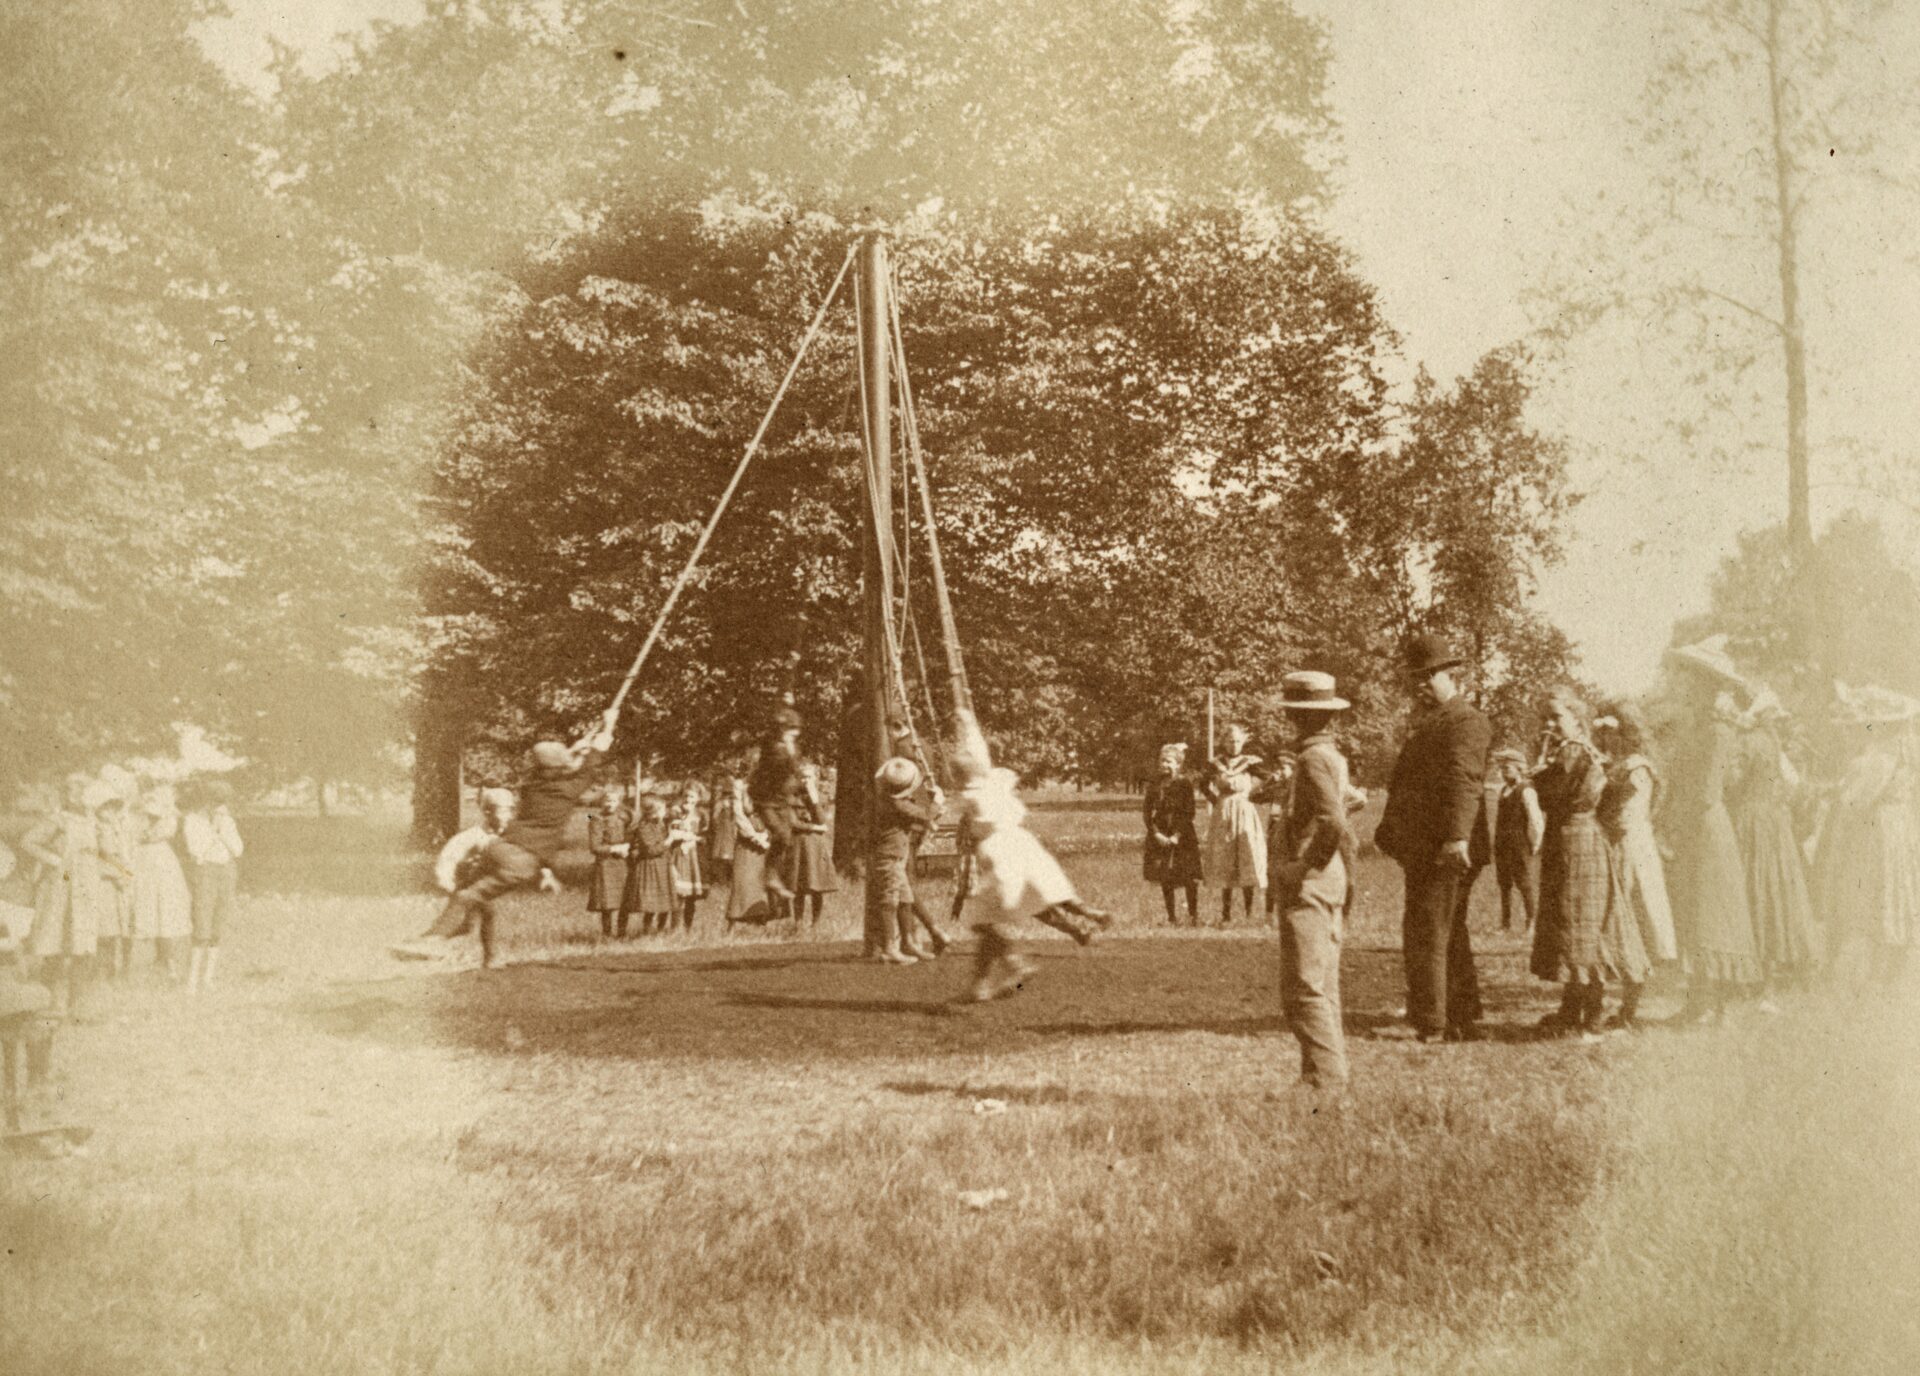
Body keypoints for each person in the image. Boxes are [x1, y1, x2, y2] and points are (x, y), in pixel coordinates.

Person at [398, 712, 616, 967]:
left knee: (471, 895)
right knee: (472, 895)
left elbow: (566, 763)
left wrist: (578, 747)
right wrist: (609, 723)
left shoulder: (532, 784)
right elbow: (594, 755)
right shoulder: (568, 789)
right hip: (523, 860)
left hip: (498, 847)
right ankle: (434, 940)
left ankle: (466, 939)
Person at [1374, 634, 1493, 1043]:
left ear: (1449, 675)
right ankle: (1460, 1014)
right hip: (1428, 846)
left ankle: (1431, 1022)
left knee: (1428, 931)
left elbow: (1465, 780)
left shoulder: (1465, 721)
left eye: (1428, 676)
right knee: (1448, 930)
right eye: (1415, 678)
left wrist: (1457, 838)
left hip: (1446, 848)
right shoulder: (1434, 721)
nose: (1420, 685)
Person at [947, 713, 1112, 1001]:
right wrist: (969, 724)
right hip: (1024, 846)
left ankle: (1013, 966)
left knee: (985, 921)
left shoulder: (969, 796)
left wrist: (939, 796)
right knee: (1011, 910)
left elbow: (967, 776)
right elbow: (979, 752)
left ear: (958, 777)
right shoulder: (993, 783)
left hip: (999, 854)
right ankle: (980, 986)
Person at [1531, 688, 1647, 1037]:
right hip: (1575, 841)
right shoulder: (1578, 751)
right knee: (1577, 924)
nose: (1550, 724)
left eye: (1557, 717)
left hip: (1577, 844)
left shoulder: (1573, 751)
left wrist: (1538, 768)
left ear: (1578, 720)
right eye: (1545, 718)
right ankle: (1572, 1009)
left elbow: (1551, 796)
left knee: (1581, 925)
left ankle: (1591, 1015)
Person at [1662, 636, 1762, 1020]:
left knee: (1709, 912)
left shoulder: (1717, 730)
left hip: (1705, 826)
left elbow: (1707, 790)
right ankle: (1699, 1002)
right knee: (1694, 910)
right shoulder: (1699, 726)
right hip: (1696, 823)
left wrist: (1675, 823)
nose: (1683, 684)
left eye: (1691, 678)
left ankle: (1710, 1005)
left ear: (1707, 684)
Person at [1269, 672, 1356, 1088]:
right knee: (1322, 984)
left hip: (1310, 881)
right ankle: (1317, 1076)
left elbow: (1333, 820)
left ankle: (1328, 1081)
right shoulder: (1330, 755)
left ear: (1294, 715)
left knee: (1303, 988)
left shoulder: (1311, 759)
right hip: (1328, 876)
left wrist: (1302, 866)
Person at [1811, 684, 1919, 986]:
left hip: (1878, 828)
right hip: (1898, 824)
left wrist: (1838, 800)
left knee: (1871, 890)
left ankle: (1875, 973)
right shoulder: (1902, 750)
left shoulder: (1883, 754)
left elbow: (1858, 799)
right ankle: (1882, 971)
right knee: (1892, 889)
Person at [1728, 689, 1821, 1002]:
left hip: (1750, 819)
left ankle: (1752, 969)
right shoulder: (1772, 743)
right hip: (1774, 821)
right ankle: (1774, 967)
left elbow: (1732, 783)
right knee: (1776, 888)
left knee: (1752, 886)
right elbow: (1795, 786)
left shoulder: (1746, 742)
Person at [20, 775, 106, 1017]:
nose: (77, 797)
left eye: (82, 791)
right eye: (72, 792)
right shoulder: (58, 820)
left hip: (86, 889)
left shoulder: (93, 822)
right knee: (56, 945)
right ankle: (48, 1003)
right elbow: (28, 842)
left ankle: (76, 1006)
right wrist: (54, 860)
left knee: (83, 948)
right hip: (62, 886)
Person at [1594, 709, 1675, 965]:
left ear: (1626, 735)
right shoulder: (1620, 764)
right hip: (1624, 835)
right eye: (1604, 735)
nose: (1607, 740)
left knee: (1637, 892)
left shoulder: (1636, 767)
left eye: (1612, 734)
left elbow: (1625, 806)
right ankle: (1623, 950)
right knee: (1623, 893)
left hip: (1632, 836)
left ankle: (1648, 952)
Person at [179, 779, 244, 993]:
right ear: (206, 801)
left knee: (218, 925)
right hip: (205, 872)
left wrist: (222, 830)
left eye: (222, 802)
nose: (218, 807)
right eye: (215, 802)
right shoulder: (192, 821)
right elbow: (196, 850)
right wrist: (214, 831)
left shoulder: (227, 822)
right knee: (202, 925)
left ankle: (208, 978)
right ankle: (192, 980)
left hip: (226, 871)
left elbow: (238, 850)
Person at [1202, 724, 1269, 925]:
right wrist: (1216, 800)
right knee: (1226, 857)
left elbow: (1268, 778)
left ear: (1243, 742)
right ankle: (1226, 913)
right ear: (1224, 742)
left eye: (1238, 741)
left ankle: (1248, 912)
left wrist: (1253, 793)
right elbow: (1203, 784)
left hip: (1244, 810)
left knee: (1246, 854)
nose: (1234, 745)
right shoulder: (1216, 764)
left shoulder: (1250, 762)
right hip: (1224, 812)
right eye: (1230, 741)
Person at [748, 707, 806, 921]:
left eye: (795, 733)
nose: (794, 736)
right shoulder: (772, 746)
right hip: (765, 800)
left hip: (781, 800)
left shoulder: (790, 747)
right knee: (781, 835)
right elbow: (784, 766)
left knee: (786, 838)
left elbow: (795, 770)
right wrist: (790, 753)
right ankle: (770, 877)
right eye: (790, 731)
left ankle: (772, 876)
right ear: (781, 729)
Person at [130, 786, 192, 979]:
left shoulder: (168, 818)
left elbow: (159, 833)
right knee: (145, 903)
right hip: (141, 859)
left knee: (164, 904)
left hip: (160, 859)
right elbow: (135, 833)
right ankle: (151, 959)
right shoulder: (138, 813)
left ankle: (168, 960)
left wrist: (148, 830)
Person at [1143, 743, 1203, 925]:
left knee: (1189, 877)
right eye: (1162, 760)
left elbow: (1189, 812)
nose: (1164, 764)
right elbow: (1147, 812)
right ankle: (1171, 917)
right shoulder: (1154, 785)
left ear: (1178, 764)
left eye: (1168, 761)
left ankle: (1193, 916)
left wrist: (1177, 835)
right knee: (1165, 876)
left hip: (1183, 835)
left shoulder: (1184, 784)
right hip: (1160, 833)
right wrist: (1156, 834)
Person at [1490, 748, 1544, 933]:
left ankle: (1531, 922)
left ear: (1519, 768)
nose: (1504, 773)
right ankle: (1505, 924)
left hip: (1519, 844)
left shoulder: (1526, 791)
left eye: (1507, 768)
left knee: (1524, 883)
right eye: (1502, 769)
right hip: (1502, 843)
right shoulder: (1504, 790)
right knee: (1504, 884)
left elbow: (1535, 819)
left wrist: (1535, 843)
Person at [788, 764, 838, 929]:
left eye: (809, 777)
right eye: (803, 777)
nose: (805, 780)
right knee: (799, 887)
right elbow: (793, 823)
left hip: (816, 846)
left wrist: (814, 799)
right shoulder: (792, 797)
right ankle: (798, 923)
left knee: (817, 886)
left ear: (815, 778)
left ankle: (815, 923)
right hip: (799, 844)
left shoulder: (820, 797)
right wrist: (814, 827)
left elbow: (822, 819)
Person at [620, 794, 678, 937]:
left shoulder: (660, 825)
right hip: (649, 867)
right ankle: (638, 931)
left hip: (662, 867)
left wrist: (671, 865)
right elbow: (651, 850)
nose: (665, 812)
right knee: (648, 903)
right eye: (663, 809)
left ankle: (658, 931)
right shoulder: (643, 827)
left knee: (663, 902)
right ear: (654, 811)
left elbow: (664, 850)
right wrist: (669, 840)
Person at [724, 776, 774, 926]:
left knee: (758, 884)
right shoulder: (739, 786)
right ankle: (732, 924)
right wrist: (756, 837)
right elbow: (739, 816)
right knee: (741, 882)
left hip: (764, 839)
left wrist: (766, 834)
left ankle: (758, 922)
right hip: (746, 842)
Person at [584, 783, 631, 939]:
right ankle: (607, 934)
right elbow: (594, 847)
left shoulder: (623, 818)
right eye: (607, 800)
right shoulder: (596, 819)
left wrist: (628, 846)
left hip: (622, 864)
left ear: (619, 802)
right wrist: (615, 848)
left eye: (614, 801)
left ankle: (622, 933)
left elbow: (631, 835)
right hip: (605, 864)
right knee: (607, 902)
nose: (610, 804)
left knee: (624, 900)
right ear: (601, 802)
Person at [669, 783, 709, 933]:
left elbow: (706, 836)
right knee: (678, 892)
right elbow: (670, 831)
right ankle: (674, 927)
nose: (688, 799)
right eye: (685, 796)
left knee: (691, 894)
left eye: (691, 796)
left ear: (698, 798)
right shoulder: (675, 812)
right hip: (679, 855)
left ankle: (688, 927)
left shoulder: (701, 815)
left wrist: (696, 838)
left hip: (694, 856)